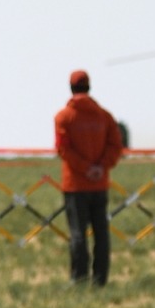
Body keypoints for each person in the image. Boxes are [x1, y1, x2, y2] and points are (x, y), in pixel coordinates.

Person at [54, 69, 123, 286]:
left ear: (71, 88)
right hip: (99, 184)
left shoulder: (63, 117)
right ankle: (100, 279)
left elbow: (63, 149)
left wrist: (85, 169)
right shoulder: (105, 116)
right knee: (101, 233)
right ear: (89, 87)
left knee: (78, 234)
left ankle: (79, 278)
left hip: (75, 186)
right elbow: (116, 146)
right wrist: (100, 168)